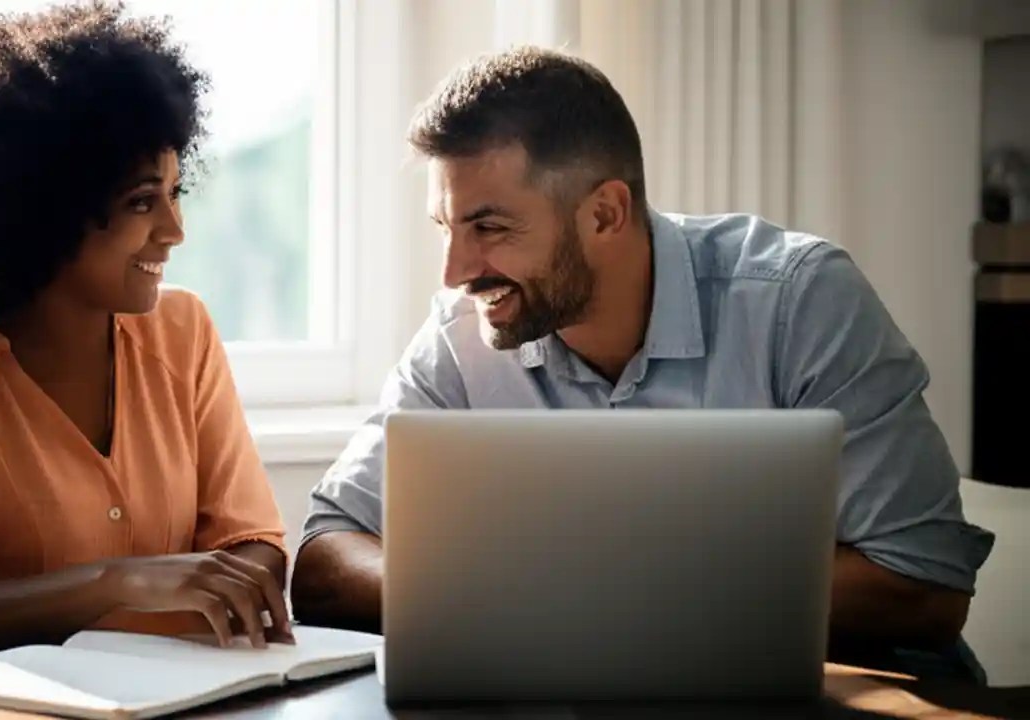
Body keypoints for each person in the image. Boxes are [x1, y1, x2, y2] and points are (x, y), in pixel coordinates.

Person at [292, 46, 996, 681]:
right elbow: (326, 559)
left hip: (849, 689)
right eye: (446, 227)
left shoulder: (798, 300)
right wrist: (504, 596)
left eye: (490, 227)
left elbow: (924, 587)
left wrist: (599, 596)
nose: (454, 271)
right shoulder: (461, 337)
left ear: (605, 214)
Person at [0, 1, 292, 652]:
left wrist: (237, 584)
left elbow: (252, 541)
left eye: (176, 193)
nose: (174, 231)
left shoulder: (185, 330)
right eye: (142, 201)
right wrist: (113, 584)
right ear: (44, 210)